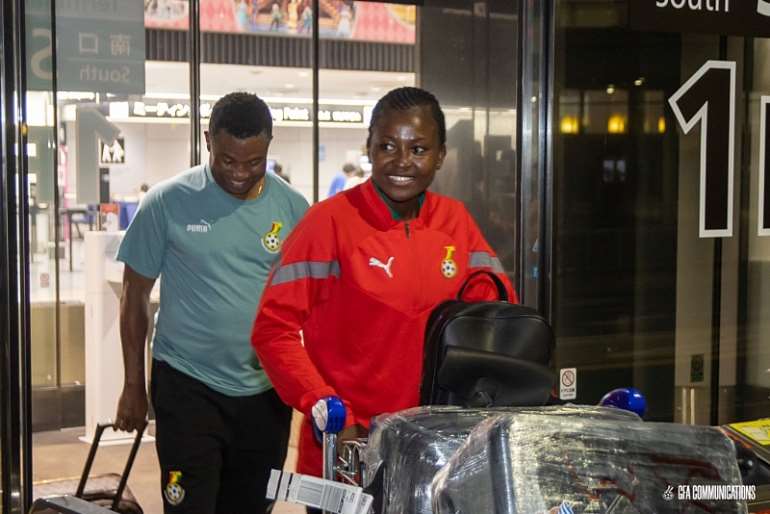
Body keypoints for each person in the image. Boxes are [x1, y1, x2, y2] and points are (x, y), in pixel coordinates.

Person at [250, 87, 517, 484]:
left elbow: (499, 317)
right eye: (388, 146)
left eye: (419, 149)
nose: (402, 162)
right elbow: (272, 331)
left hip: (437, 454)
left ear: (440, 155)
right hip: (347, 451)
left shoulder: (455, 221)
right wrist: (327, 408)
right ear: (369, 148)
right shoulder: (328, 223)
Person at [114, 92, 309, 514]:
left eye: (253, 162)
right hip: (186, 387)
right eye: (227, 160)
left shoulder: (294, 209)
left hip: (264, 393)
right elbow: (134, 296)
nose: (240, 173)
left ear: (269, 145)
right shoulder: (166, 202)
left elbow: (311, 305)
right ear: (207, 140)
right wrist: (132, 384)